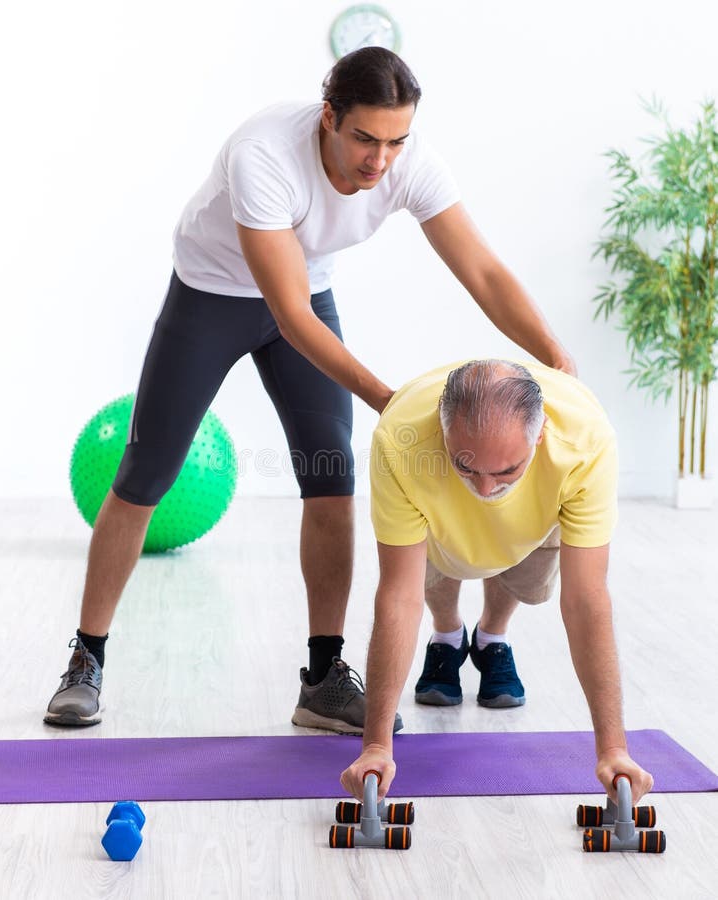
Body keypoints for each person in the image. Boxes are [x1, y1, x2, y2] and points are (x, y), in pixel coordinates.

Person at [44, 47, 575, 735]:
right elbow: (287, 315)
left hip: (307, 293)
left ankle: (324, 679)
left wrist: (558, 362)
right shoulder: (263, 154)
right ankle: (85, 660)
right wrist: (388, 397)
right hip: (213, 295)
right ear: (329, 117)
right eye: (363, 139)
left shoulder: (407, 160)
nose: (379, 160)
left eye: (394, 142)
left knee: (330, 476)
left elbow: (483, 272)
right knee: (146, 473)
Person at [340, 359, 654, 804]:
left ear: (541, 432)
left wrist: (613, 748)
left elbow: (586, 599)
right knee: (435, 567)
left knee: (523, 574)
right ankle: (447, 636)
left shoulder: (587, 442)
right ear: (441, 431)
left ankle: (492, 639)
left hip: (534, 525)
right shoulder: (401, 441)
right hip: (440, 529)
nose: (486, 490)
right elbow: (399, 596)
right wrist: (375, 746)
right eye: (466, 468)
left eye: (505, 472)